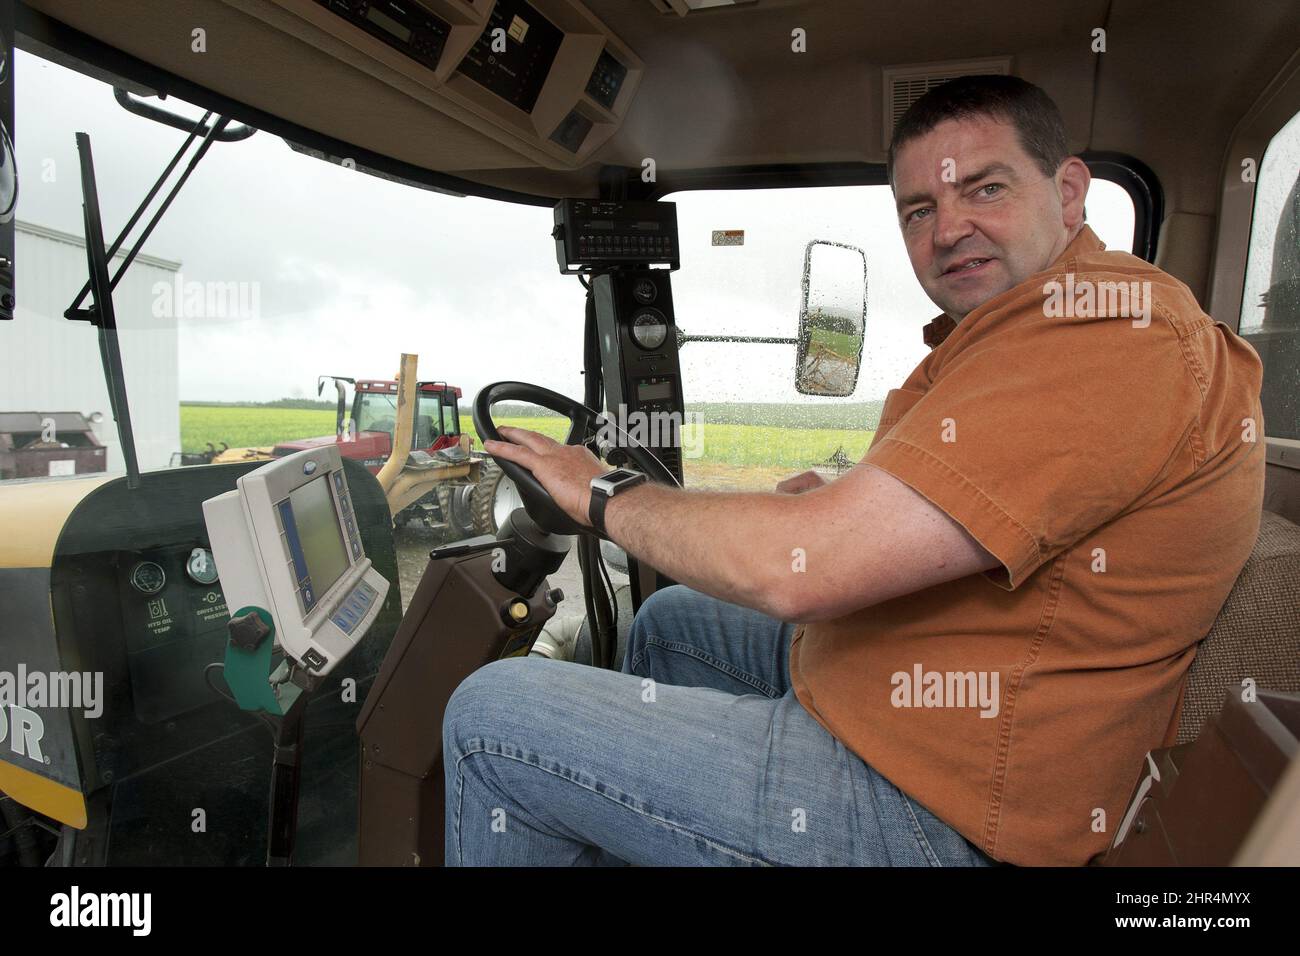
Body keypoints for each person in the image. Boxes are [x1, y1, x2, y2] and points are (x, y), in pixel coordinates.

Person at [442, 75, 1265, 866]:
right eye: (920, 209)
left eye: (985, 189)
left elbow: (808, 573)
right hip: (911, 701)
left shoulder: (1109, 335)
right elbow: (966, 502)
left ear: (1071, 191)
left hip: (940, 811)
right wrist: (851, 509)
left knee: (493, 717)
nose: (947, 230)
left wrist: (602, 491)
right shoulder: (1030, 327)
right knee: (672, 622)